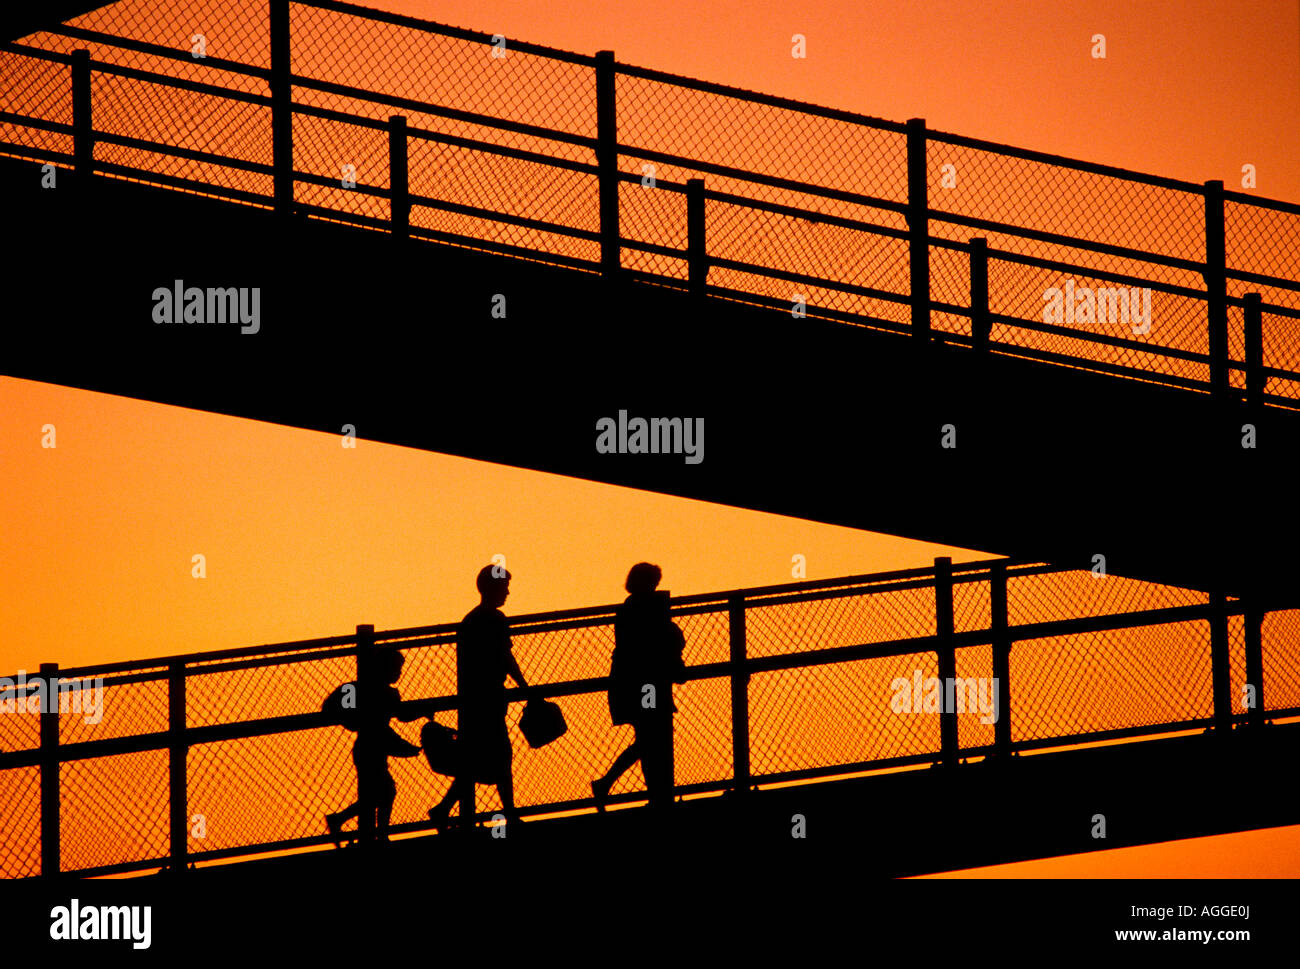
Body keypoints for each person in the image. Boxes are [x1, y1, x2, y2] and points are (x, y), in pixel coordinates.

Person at [430, 565, 530, 831]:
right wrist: (525, 687)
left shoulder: (471, 620)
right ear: (492, 588)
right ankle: (508, 813)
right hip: (487, 699)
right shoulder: (494, 619)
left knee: (475, 759)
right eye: (504, 586)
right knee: (499, 756)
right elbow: (505, 658)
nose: (507, 592)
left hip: (474, 699)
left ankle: (444, 809)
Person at [591, 563, 686, 811]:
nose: (655, 587)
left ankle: (651, 794)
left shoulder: (633, 608)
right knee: (652, 739)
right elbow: (661, 638)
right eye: (652, 582)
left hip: (636, 684)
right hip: (644, 685)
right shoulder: (643, 609)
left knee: (648, 740)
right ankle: (654, 794)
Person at [325, 647, 421, 845]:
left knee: (378, 793)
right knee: (382, 792)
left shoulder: (362, 689)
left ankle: (365, 830)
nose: (398, 673)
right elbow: (399, 718)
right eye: (395, 668)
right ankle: (375, 833)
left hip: (370, 747)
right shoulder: (371, 691)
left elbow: (397, 719)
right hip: (371, 748)